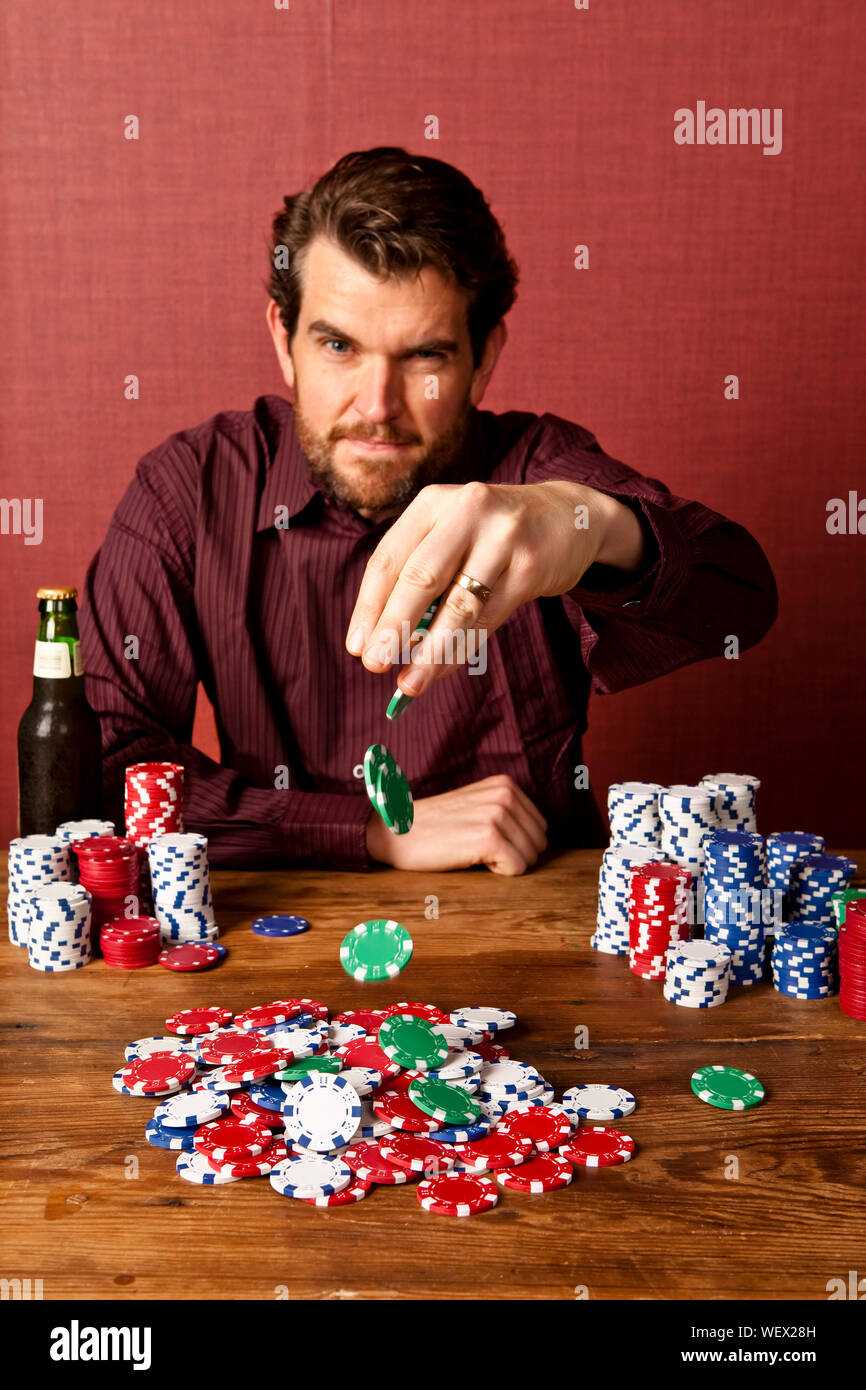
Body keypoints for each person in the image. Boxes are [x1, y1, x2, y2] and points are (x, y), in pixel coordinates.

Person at [79, 146, 778, 876]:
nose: (377, 407)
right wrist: (373, 830)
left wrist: (597, 526)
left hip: (537, 924)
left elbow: (743, 601)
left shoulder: (535, 470)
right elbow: (100, 765)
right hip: (276, 935)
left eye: (424, 358)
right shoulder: (192, 489)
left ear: (484, 360)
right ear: (283, 343)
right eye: (339, 345)